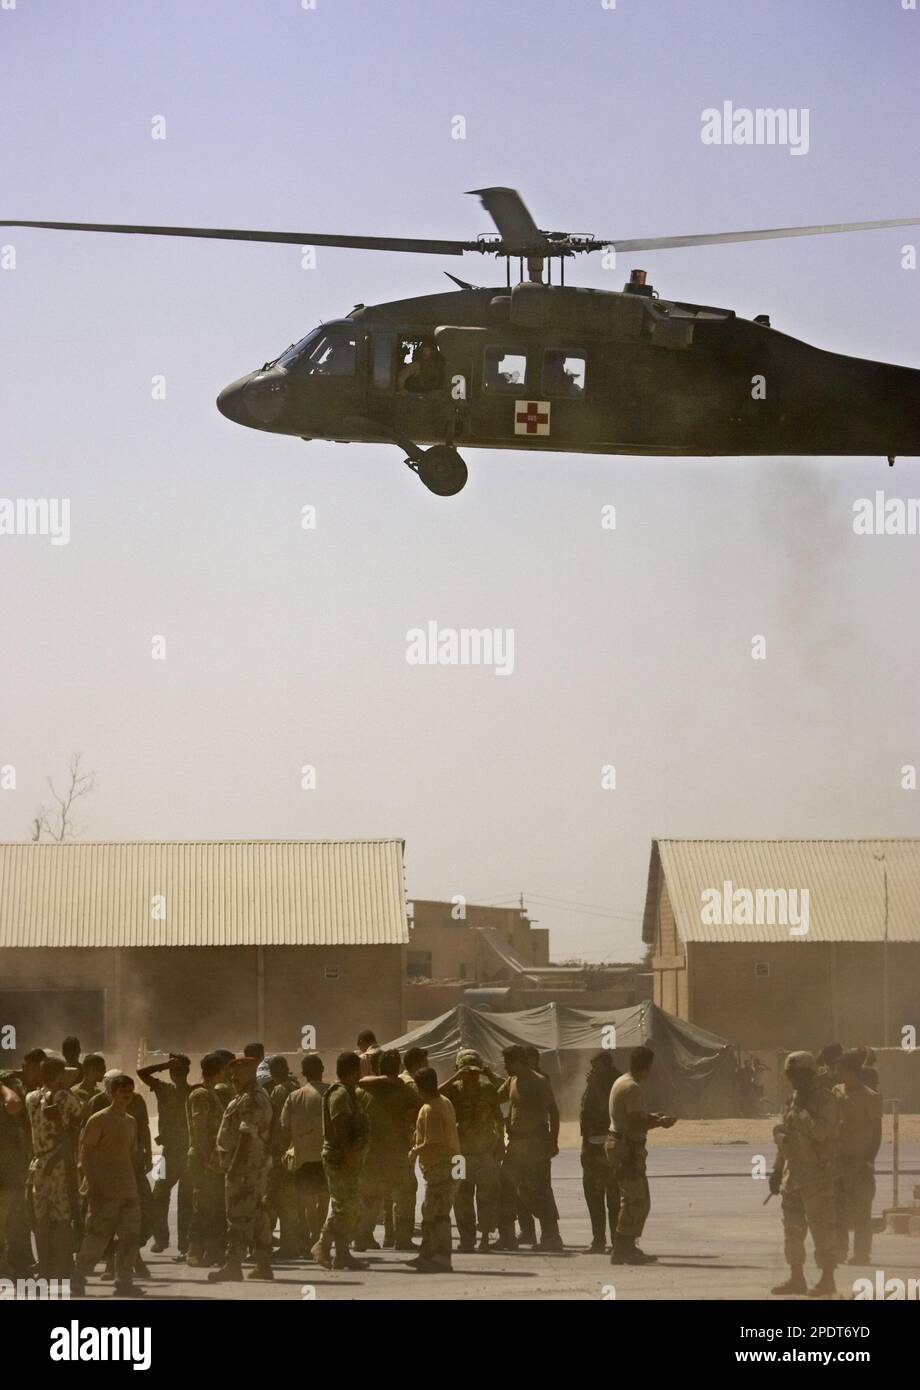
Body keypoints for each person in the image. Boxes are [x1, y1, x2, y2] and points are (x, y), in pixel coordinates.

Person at [769, 1050, 839, 1298]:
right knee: (793, 1229)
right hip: (794, 1177)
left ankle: (827, 1280)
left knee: (821, 1229)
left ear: (810, 1074)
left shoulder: (825, 1100)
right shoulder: (791, 1101)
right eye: (790, 1075)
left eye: (798, 1075)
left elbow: (820, 1132)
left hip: (817, 1177)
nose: (793, 1080)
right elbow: (785, 1140)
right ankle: (796, 1277)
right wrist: (776, 1171)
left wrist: (800, 1114)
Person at [74, 1073, 144, 1298]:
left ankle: (124, 1281)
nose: (126, 1095)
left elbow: (130, 1155)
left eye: (129, 1091)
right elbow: (85, 1156)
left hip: (127, 1190)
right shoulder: (98, 1119)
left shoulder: (131, 1122)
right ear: (112, 1093)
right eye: (122, 1091)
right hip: (103, 1191)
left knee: (130, 1237)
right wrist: (93, 1188)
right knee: (97, 1238)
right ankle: (79, 1276)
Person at [606, 1046, 676, 1266]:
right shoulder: (633, 1087)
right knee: (636, 1200)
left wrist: (651, 1117)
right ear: (646, 1067)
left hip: (620, 1144)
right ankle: (623, 1249)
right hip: (626, 1148)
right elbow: (636, 1121)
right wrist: (660, 1122)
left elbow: (630, 1116)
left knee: (635, 1199)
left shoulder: (621, 1081)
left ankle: (626, 1247)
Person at [208, 1055, 274, 1282]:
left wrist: (234, 1166)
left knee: (236, 1215)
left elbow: (246, 1136)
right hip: (250, 1165)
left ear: (250, 1072)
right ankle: (264, 1265)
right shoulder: (245, 1097)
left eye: (238, 1072)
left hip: (246, 1167)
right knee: (256, 1214)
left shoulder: (252, 1099)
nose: (232, 1077)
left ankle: (233, 1265)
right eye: (231, 1073)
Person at [87, 1069, 154, 1278]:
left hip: (130, 1172)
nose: (126, 1095)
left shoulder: (134, 1108)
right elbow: (87, 1147)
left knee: (141, 1216)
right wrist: (90, 1180)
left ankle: (130, 1262)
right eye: (116, 1088)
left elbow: (143, 1129)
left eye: (128, 1091)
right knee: (106, 1225)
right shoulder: (97, 1107)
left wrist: (148, 1155)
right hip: (105, 1176)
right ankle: (109, 1267)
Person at [497, 1045, 563, 1252]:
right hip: (516, 1144)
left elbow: (554, 1112)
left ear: (519, 1061)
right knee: (507, 1187)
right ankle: (507, 1237)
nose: (506, 1067)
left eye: (509, 1063)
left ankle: (552, 1237)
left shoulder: (539, 1082)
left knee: (540, 1190)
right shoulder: (512, 1080)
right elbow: (495, 1097)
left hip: (535, 1144)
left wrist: (553, 1141)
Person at [25, 1055, 83, 1279]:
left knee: (42, 1219)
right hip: (59, 1164)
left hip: (38, 1164)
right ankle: (63, 1267)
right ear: (59, 1075)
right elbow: (76, 1122)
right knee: (62, 1218)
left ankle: (45, 1267)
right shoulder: (65, 1098)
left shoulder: (31, 1097)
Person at [439, 1050, 503, 1253]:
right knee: (461, 1197)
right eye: (467, 1070)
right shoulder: (453, 1090)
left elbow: (499, 1113)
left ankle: (485, 1236)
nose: (471, 1075)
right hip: (459, 1154)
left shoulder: (488, 1089)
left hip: (485, 1151)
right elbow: (433, 1094)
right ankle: (467, 1239)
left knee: (487, 1196)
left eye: (474, 1070)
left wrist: (501, 1142)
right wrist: (455, 1077)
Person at [355, 1049, 418, 1251]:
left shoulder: (363, 1092)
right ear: (398, 1067)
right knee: (405, 1193)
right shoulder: (405, 1090)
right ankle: (402, 1238)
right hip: (398, 1150)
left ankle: (362, 1237)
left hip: (371, 1152)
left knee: (370, 1196)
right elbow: (417, 1110)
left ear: (376, 1067)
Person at [311, 1051, 369, 1271]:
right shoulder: (340, 1094)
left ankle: (342, 1253)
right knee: (345, 1204)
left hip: (346, 1157)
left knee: (347, 1204)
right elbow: (340, 1125)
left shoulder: (349, 1092)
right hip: (340, 1158)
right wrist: (350, 1154)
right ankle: (323, 1244)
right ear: (354, 1070)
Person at [138, 1052, 192, 1255]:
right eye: (174, 1070)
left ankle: (183, 1244)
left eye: (178, 1070)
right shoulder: (165, 1090)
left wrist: (165, 1066)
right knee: (159, 1196)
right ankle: (163, 1239)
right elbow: (140, 1073)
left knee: (183, 1198)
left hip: (184, 1151)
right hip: (170, 1152)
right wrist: (165, 1065)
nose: (176, 1074)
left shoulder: (191, 1092)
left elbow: (141, 1073)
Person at [833, 1049, 882, 1266]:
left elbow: (877, 1133)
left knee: (862, 1211)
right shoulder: (835, 1092)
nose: (838, 1074)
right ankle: (840, 1251)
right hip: (838, 1162)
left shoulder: (871, 1097)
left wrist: (868, 1160)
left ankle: (862, 1254)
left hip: (860, 1163)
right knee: (838, 1210)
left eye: (842, 1070)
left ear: (853, 1072)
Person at [408, 1066, 459, 1273]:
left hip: (441, 1167)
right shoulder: (445, 1102)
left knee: (437, 1215)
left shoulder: (429, 1108)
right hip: (449, 1165)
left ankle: (441, 1258)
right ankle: (427, 1255)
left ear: (420, 1087)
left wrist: (414, 1151)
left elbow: (435, 1142)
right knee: (431, 1212)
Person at [278, 1053, 329, 1253]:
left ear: (304, 1073)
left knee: (308, 1202)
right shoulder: (331, 1093)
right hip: (325, 1155)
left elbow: (284, 1126)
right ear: (322, 1070)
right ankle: (320, 1240)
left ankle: (313, 1237)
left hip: (303, 1156)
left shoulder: (294, 1096)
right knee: (324, 1200)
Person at [185, 1052, 228, 1267]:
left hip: (212, 1156)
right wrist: (206, 1157)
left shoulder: (210, 1093)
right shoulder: (201, 1094)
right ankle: (194, 1249)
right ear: (219, 1071)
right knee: (202, 1204)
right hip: (203, 1157)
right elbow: (199, 1127)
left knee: (214, 1204)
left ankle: (212, 1251)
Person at [579, 1051, 621, 1253]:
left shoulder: (616, 1083)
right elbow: (585, 1112)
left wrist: (594, 1086)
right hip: (591, 1146)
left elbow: (608, 1107)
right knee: (593, 1195)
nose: (593, 1071)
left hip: (608, 1146)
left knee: (613, 1197)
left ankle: (616, 1241)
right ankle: (598, 1240)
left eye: (597, 1066)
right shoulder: (593, 1084)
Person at [265, 1054, 300, 1258]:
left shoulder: (279, 1090)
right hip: (294, 1149)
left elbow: (274, 1122)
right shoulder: (295, 1086)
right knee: (290, 1199)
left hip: (279, 1151)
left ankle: (268, 1243)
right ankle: (291, 1243)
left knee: (273, 1199)